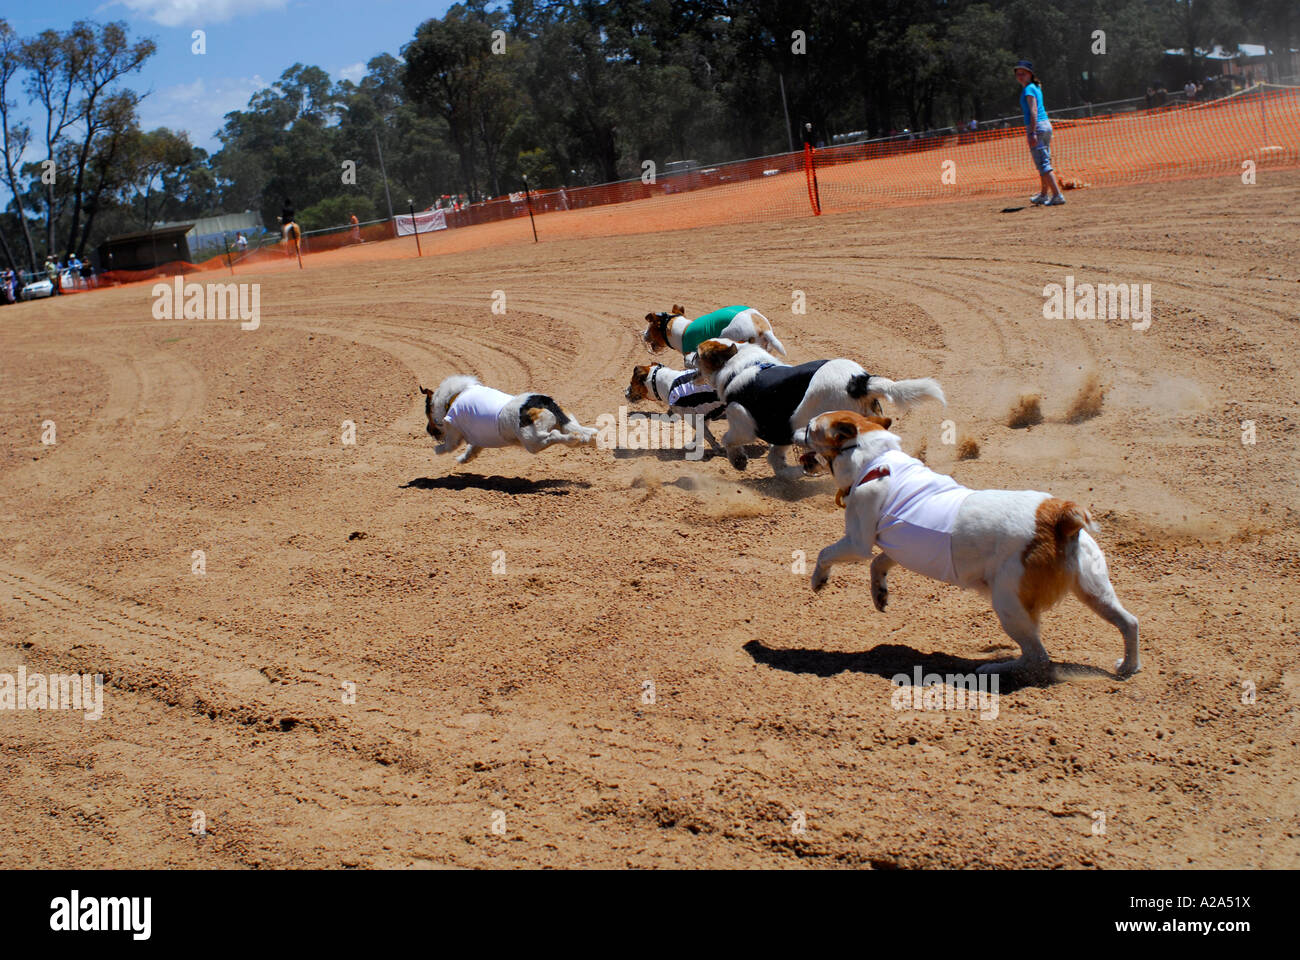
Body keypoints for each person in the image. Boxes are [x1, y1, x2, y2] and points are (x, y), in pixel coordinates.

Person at [1014, 59, 1065, 206]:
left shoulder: (1029, 89)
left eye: (1022, 73)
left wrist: (1032, 132)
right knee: (1044, 162)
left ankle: (1057, 195)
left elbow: (1033, 111)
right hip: (1046, 126)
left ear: (1030, 74)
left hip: (1038, 127)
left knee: (1043, 164)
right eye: (1017, 74)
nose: (1019, 76)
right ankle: (1043, 195)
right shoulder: (1036, 87)